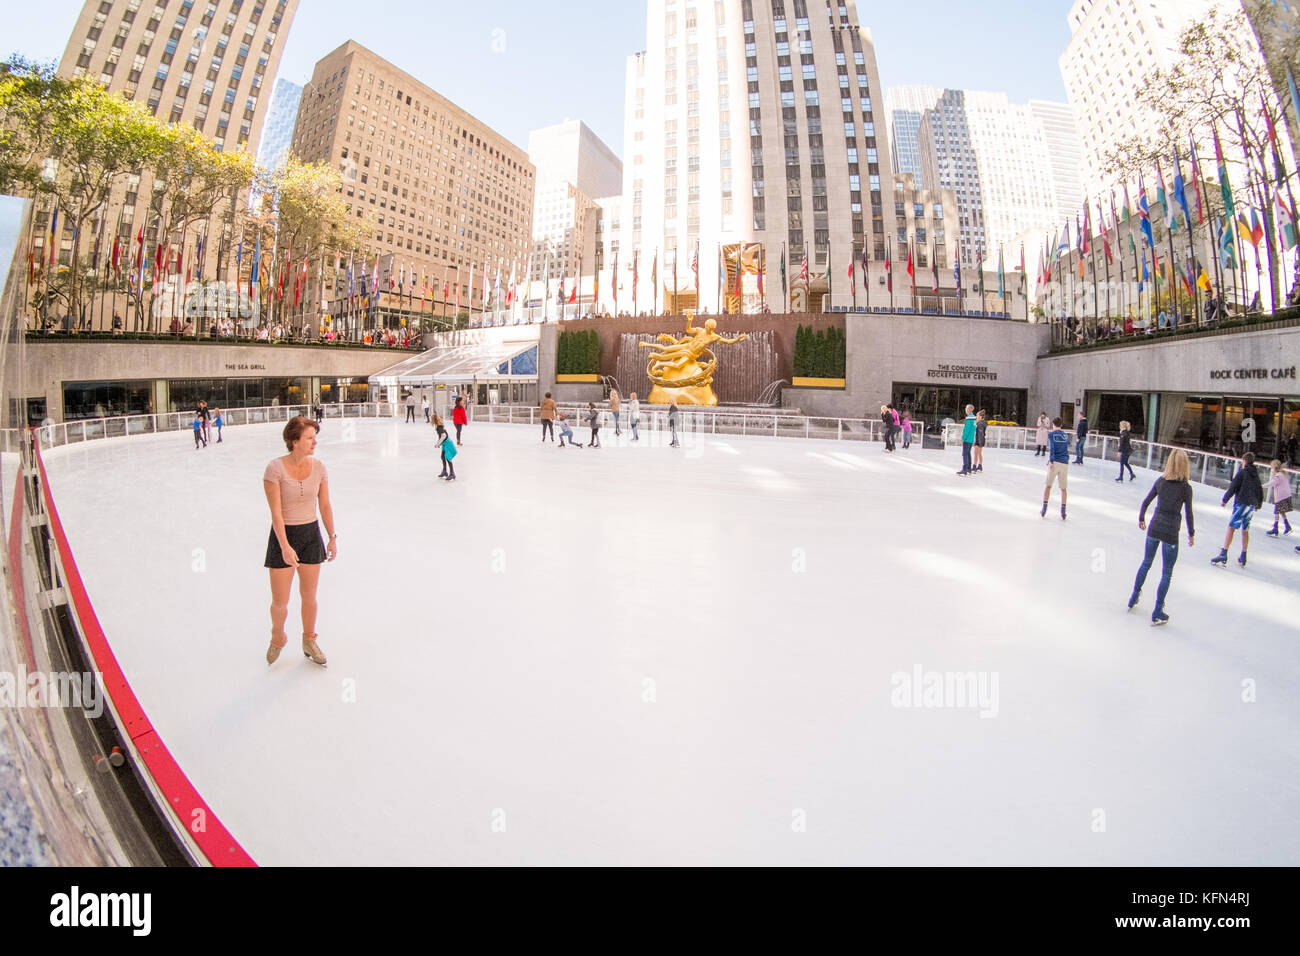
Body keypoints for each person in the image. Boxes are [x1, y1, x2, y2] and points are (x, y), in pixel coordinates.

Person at [263, 416, 336, 666]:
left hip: (311, 535)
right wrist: (284, 545)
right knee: (280, 602)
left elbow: (324, 505)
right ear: (294, 441)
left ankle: (308, 639)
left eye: (315, 437)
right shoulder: (275, 469)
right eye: (309, 438)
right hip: (284, 536)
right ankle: (277, 636)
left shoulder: (319, 467)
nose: (314, 442)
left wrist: (331, 537)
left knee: (309, 595)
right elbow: (275, 512)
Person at [1130, 448, 1195, 626]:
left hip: (1155, 527)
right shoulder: (1185, 488)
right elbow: (1189, 513)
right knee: (1166, 573)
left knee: (1146, 563)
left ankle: (1134, 595)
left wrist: (1141, 518)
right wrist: (1191, 533)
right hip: (1171, 532)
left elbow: (1146, 502)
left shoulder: (1161, 481)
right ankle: (1158, 610)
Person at [1211, 452, 1264, 568]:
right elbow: (1259, 490)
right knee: (1245, 529)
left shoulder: (1242, 472)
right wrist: (1258, 504)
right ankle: (1243, 555)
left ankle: (1223, 553)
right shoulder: (1255, 475)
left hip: (1242, 504)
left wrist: (1224, 500)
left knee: (1231, 527)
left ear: (1244, 461)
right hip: (1250, 505)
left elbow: (1233, 487)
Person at [1042, 417, 1070, 520]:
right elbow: (1067, 446)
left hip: (1055, 462)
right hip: (1065, 463)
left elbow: (1052, 448)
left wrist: (1051, 461)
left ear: (1053, 424)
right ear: (1061, 424)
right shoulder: (1065, 435)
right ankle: (1063, 511)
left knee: (1048, 485)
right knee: (1063, 488)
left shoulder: (1051, 434)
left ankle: (1044, 508)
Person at [1264, 459, 1293, 537]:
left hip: (1281, 496)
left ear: (1274, 468)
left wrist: (1262, 486)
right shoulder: (1283, 474)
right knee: (1281, 511)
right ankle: (1287, 526)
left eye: (1271, 467)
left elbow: (1271, 483)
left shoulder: (1278, 476)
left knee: (1277, 511)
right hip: (1286, 495)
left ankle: (1275, 528)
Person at [957, 404, 976, 475]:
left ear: (969, 409)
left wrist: (963, 438)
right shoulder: (974, 418)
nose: (965, 409)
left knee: (964, 454)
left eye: (966, 408)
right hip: (971, 439)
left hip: (967, 439)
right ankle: (968, 469)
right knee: (968, 453)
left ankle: (964, 469)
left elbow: (966, 430)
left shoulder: (969, 418)